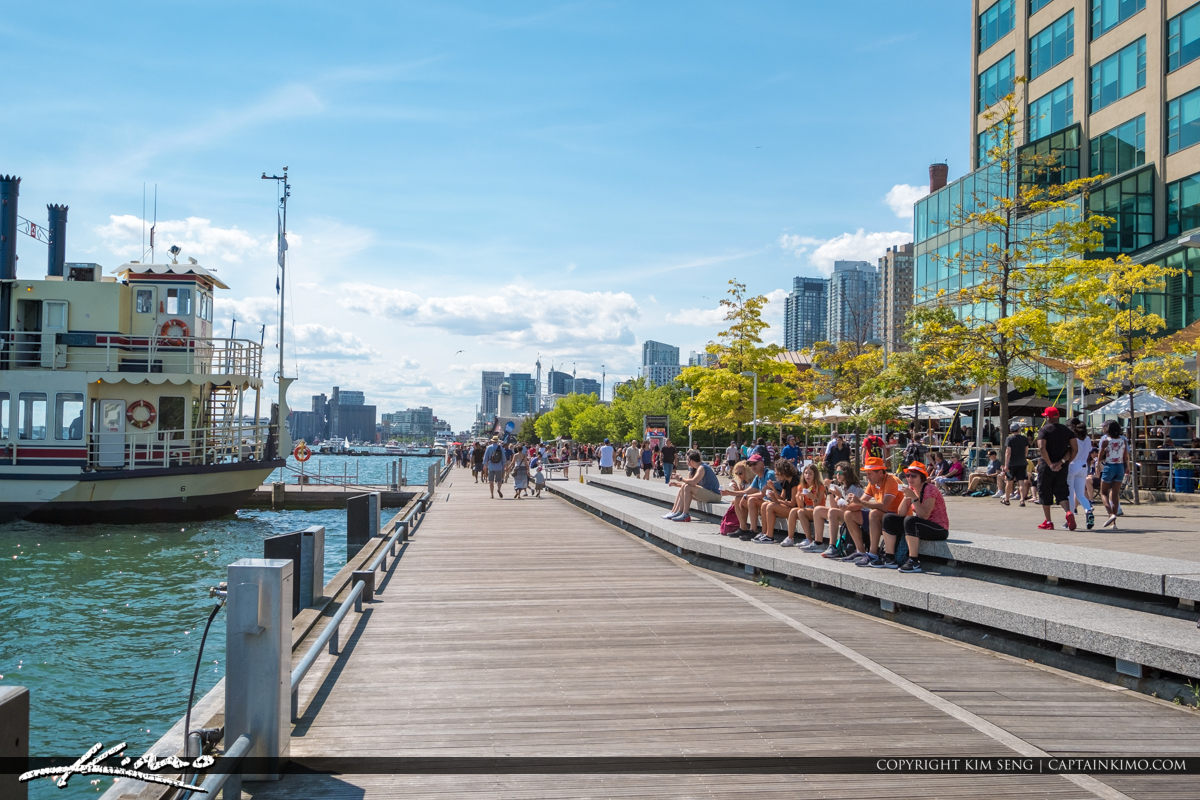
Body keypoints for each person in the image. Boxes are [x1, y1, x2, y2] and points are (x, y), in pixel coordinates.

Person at [873, 461, 950, 573]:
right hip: (921, 525)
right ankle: (889, 557)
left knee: (911, 520)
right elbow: (901, 513)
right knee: (888, 518)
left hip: (938, 528)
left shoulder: (930, 489)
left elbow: (924, 515)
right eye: (907, 475)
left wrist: (913, 498)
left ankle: (914, 561)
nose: (909, 478)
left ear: (922, 477)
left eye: (913, 476)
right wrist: (906, 497)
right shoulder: (912, 489)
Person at [843, 456, 902, 566]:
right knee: (848, 515)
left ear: (880, 472)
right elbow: (859, 504)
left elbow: (884, 506)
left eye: (870, 473)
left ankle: (873, 553)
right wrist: (845, 505)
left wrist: (860, 502)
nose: (867, 477)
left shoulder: (892, 481)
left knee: (874, 513)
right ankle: (860, 551)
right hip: (884, 516)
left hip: (896, 518)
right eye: (867, 473)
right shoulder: (872, 482)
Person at [1036, 407, 1077, 530]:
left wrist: (1050, 464)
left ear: (1048, 417)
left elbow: (1042, 448)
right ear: (1058, 417)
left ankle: (1048, 521)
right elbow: (1074, 449)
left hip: (1046, 466)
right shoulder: (1067, 431)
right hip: (1062, 466)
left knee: (1044, 491)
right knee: (1062, 491)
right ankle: (1068, 512)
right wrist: (1064, 462)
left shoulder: (1044, 430)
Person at [816, 461, 864, 558]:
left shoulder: (854, 488)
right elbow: (833, 507)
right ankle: (817, 542)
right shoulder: (842, 487)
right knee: (818, 510)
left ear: (847, 473)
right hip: (845, 515)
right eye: (836, 473)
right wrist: (829, 491)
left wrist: (839, 495)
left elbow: (852, 507)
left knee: (832, 512)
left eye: (840, 473)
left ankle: (832, 546)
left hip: (856, 517)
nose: (837, 475)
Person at [663, 449, 722, 522]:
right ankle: (676, 512)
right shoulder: (695, 469)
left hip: (715, 495)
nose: (686, 462)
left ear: (691, 460)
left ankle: (685, 514)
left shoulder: (702, 467)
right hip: (707, 493)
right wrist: (677, 484)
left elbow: (693, 482)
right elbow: (689, 483)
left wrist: (681, 478)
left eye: (687, 460)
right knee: (683, 486)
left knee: (686, 487)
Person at [758, 458, 801, 543]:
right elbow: (781, 498)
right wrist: (773, 488)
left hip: (795, 510)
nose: (776, 476)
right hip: (788, 507)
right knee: (764, 505)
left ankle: (769, 536)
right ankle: (764, 533)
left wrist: (775, 500)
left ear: (783, 473)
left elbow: (793, 503)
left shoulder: (795, 481)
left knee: (770, 506)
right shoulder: (785, 481)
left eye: (777, 474)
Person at [1098, 419, 1130, 529]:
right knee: (1115, 495)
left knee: (1103, 493)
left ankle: (1110, 514)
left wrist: (1098, 466)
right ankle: (1114, 523)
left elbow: (1100, 455)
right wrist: (1127, 467)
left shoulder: (1105, 441)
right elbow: (1125, 456)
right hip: (1120, 466)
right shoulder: (1123, 440)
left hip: (1109, 466)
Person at [787, 462, 826, 549]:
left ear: (815, 475)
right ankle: (790, 538)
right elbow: (801, 506)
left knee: (800, 511)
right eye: (806, 473)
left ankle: (809, 539)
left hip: (819, 511)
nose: (807, 475)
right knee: (794, 510)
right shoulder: (801, 486)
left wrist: (812, 497)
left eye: (810, 473)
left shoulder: (820, 487)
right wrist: (799, 498)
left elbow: (818, 506)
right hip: (807, 510)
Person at [1066, 419, 1095, 530]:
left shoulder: (1073, 438)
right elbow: (1088, 452)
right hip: (1083, 466)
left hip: (1072, 465)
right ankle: (1088, 510)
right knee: (1081, 494)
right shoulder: (1087, 439)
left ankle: (1070, 517)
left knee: (1070, 493)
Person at [720, 461, 755, 535]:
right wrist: (736, 488)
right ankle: (742, 527)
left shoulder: (752, 481)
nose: (738, 475)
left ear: (747, 472)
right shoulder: (742, 481)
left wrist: (730, 493)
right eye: (736, 473)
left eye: (740, 473)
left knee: (738, 499)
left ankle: (743, 527)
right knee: (737, 500)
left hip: (753, 501)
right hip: (747, 500)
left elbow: (748, 493)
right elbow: (741, 493)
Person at [1002, 421, 1030, 507]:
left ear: (1011, 430)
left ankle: (1006, 499)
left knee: (1009, 482)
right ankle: (1022, 500)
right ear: (1019, 429)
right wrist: (1023, 457)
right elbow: (1026, 450)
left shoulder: (1009, 439)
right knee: (1021, 482)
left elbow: (1008, 452)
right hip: (1022, 462)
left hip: (1012, 463)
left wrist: (1006, 465)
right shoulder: (1024, 438)